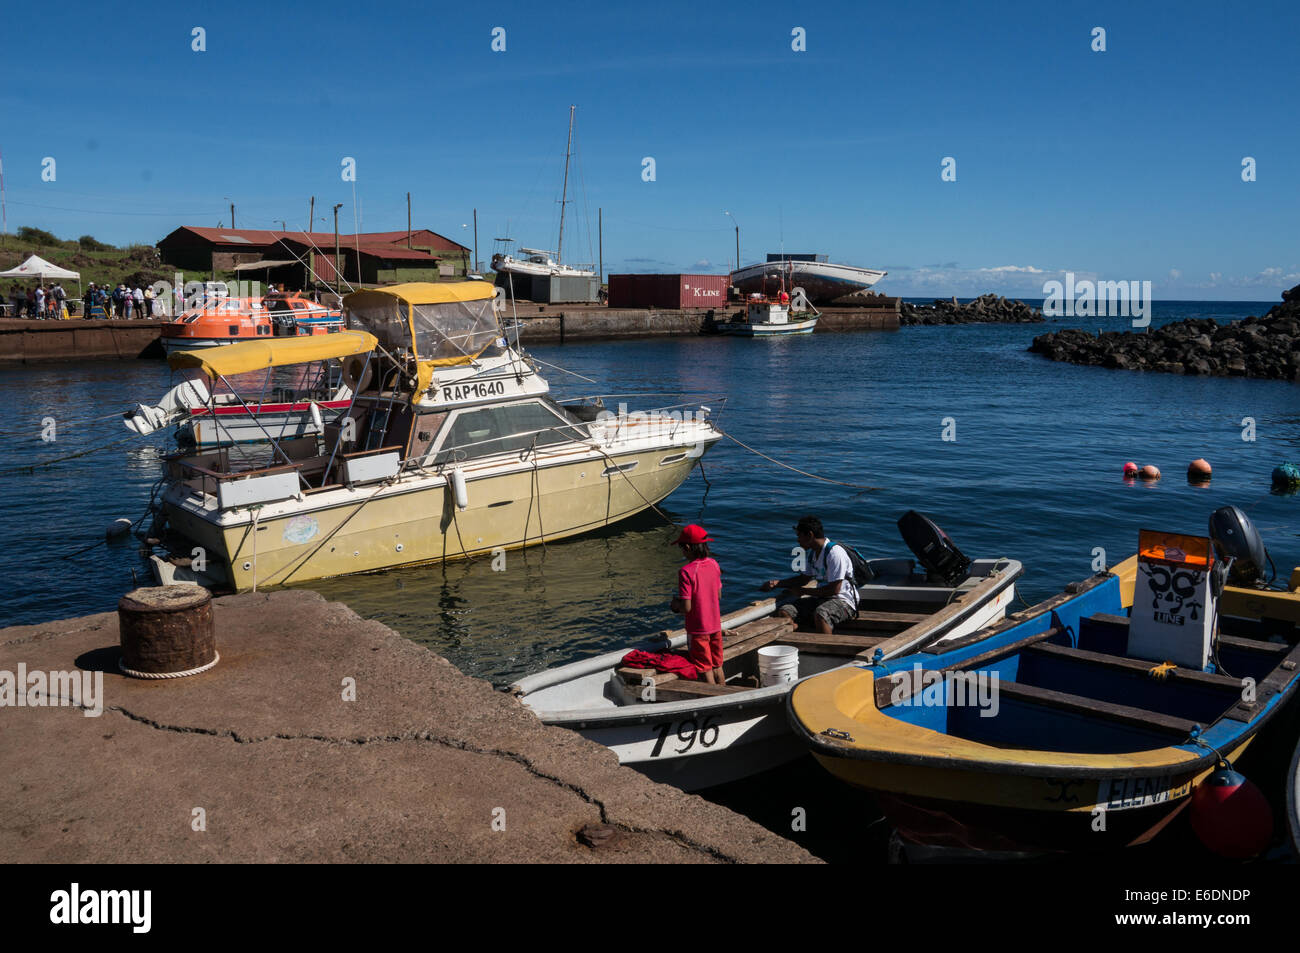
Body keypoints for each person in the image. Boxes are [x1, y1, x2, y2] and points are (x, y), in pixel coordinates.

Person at [760, 515, 858, 635]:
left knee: (821, 613)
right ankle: (798, 639)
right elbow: (803, 579)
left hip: (844, 602)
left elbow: (834, 589)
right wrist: (777, 583)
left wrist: (804, 592)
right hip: (822, 599)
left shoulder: (834, 554)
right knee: (785, 611)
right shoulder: (813, 554)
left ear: (810, 535)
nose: (798, 540)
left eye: (799, 536)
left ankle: (826, 649)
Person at [670, 523, 724, 685]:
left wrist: (675, 605)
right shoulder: (714, 564)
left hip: (698, 630)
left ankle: (716, 704)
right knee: (717, 665)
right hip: (715, 627)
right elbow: (718, 595)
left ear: (687, 547)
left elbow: (687, 608)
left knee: (704, 668)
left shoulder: (686, 571)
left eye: (681, 547)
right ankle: (725, 691)